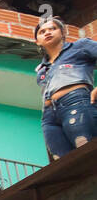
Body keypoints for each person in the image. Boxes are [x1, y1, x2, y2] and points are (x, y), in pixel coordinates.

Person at [33, 17, 97, 160]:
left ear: (63, 33)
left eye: (52, 29)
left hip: (76, 102)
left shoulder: (80, 46)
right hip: (49, 117)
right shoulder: (42, 69)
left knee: (87, 151)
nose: (47, 32)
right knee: (63, 163)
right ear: (37, 41)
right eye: (42, 31)